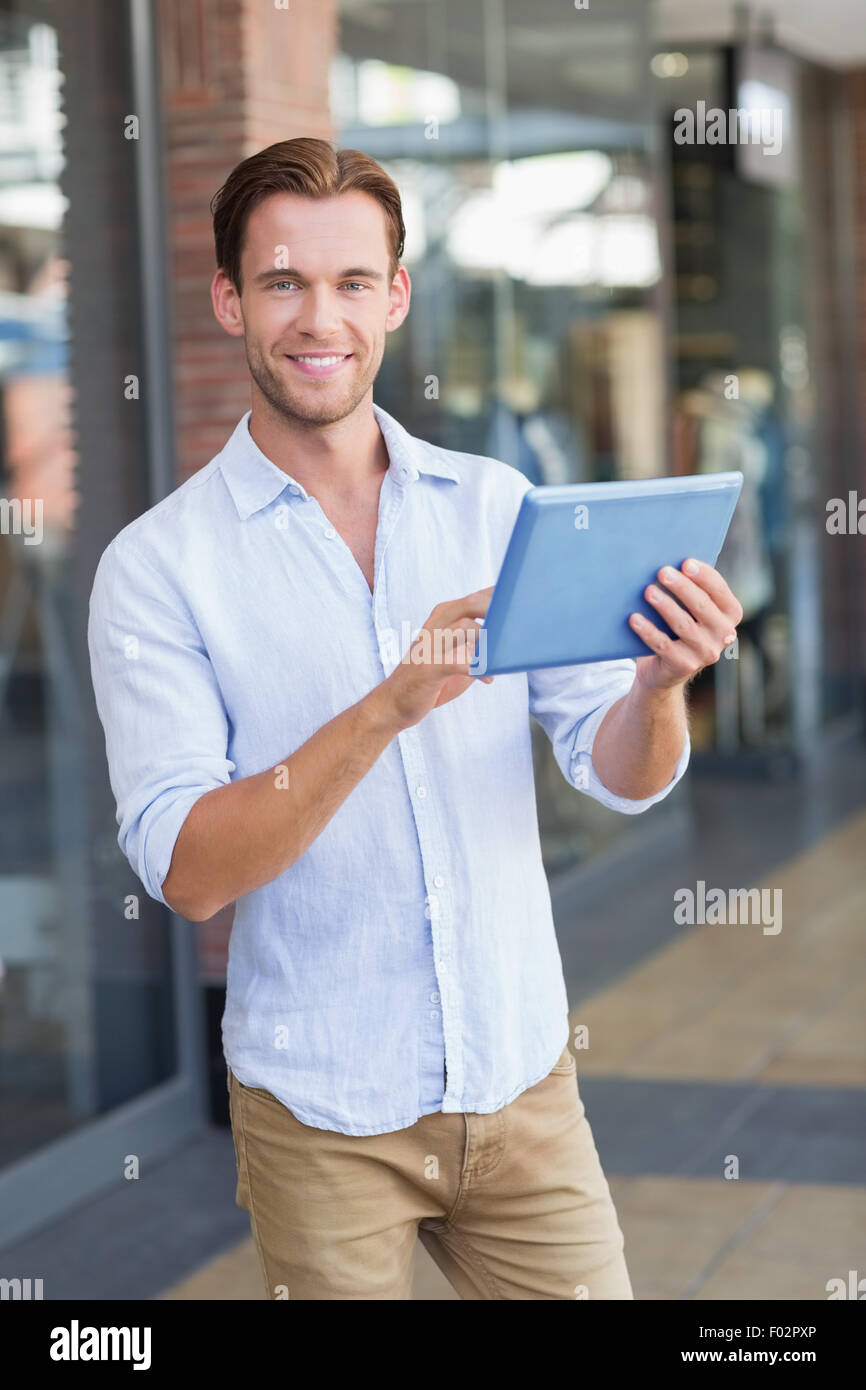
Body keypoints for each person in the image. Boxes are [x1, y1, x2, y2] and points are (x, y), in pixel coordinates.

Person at [87, 137, 743, 1301]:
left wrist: (656, 688)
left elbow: (617, 773)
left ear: (393, 296)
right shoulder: (159, 570)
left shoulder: (495, 506)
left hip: (521, 1079)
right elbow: (189, 872)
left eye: (350, 282)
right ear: (230, 299)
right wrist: (388, 704)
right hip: (322, 1113)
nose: (316, 318)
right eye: (283, 282)